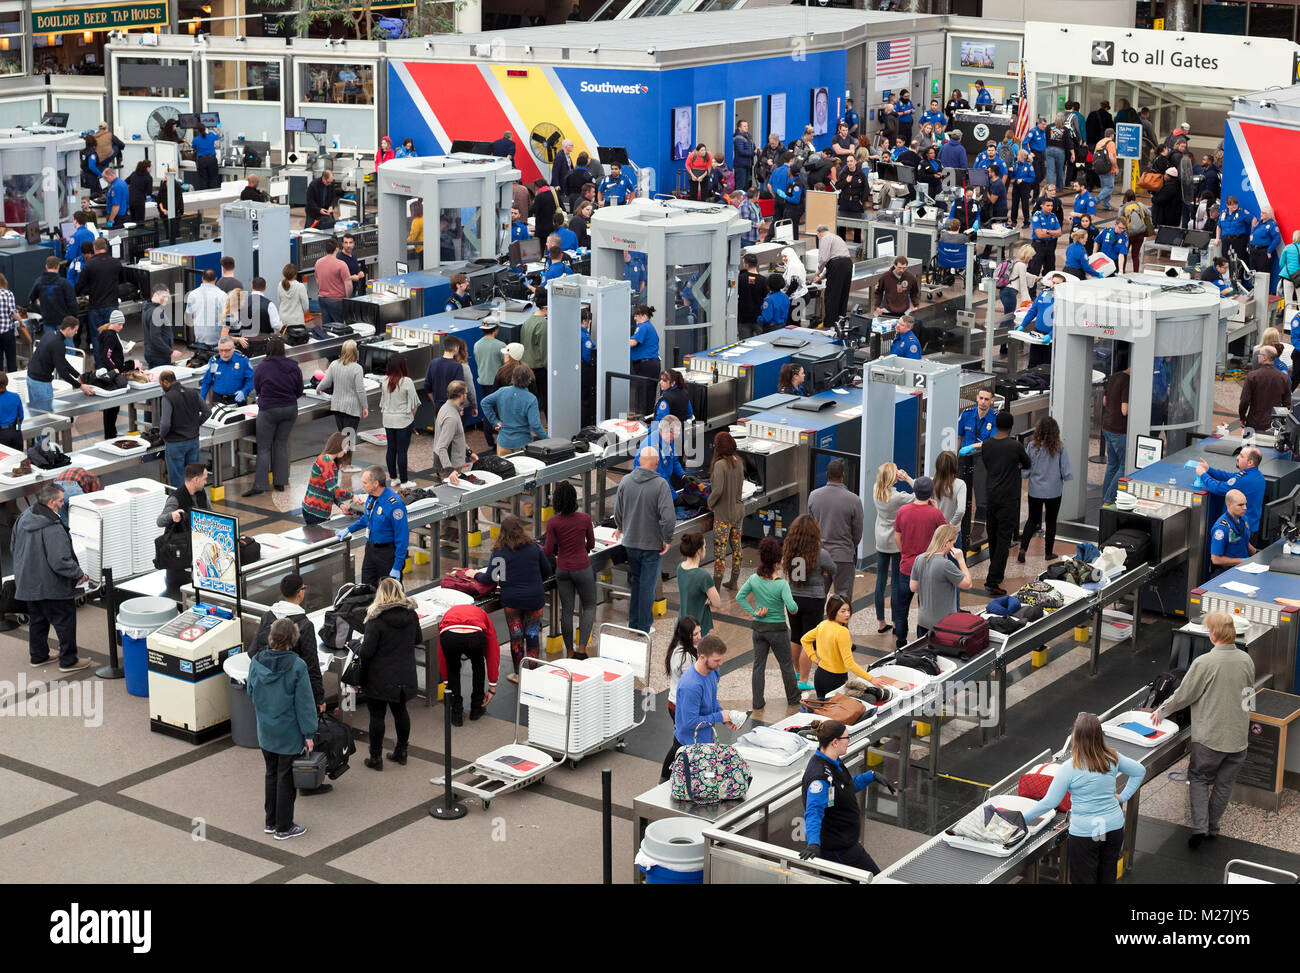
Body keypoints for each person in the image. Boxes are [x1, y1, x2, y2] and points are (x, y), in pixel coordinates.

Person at [1151, 611, 1255, 848]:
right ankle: (1212, 828)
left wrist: (1161, 710)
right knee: (1224, 785)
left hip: (1210, 738)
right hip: (1238, 738)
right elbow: (1249, 694)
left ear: (1213, 634)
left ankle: (1199, 828)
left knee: (1198, 778)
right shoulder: (1246, 660)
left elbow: (1184, 695)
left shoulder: (1204, 662)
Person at [1020, 712, 1144, 884]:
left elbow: (1050, 802)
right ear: (1099, 736)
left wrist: (1021, 819)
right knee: (1107, 877)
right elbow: (1139, 771)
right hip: (1112, 827)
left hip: (1087, 833)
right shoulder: (1112, 757)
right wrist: (1122, 797)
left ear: (1075, 737)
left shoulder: (1070, 767)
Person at [246, 618, 317, 840]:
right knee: (286, 778)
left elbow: (250, 690)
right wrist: (309, 733)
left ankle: (271, 821)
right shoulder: (297, 666)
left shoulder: (257, 660)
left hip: (266, 729)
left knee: (271, 773)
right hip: (288, 732)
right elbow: (304, 703)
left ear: (271, 636)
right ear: (293, 639)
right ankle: (284, 827)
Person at [13, 482, 90, 672]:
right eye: (61, 501)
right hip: (52, 586)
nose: (63, 504)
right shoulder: (53, 527)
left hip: (28, 582)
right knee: (65, 622)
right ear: (51, 502)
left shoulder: (24, 517)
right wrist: (78, 573)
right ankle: (69, 660)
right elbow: (60, 560)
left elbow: (13, 548)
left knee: (38, 620)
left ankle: (38, 656)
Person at [800, 719, 891, 873]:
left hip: (845, 841)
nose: (849, 741)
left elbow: (843, 788)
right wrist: (814, 843)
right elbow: (813, 811)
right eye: (846, 738)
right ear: (835, 742)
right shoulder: (820, 777)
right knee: (875, 879)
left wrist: (870, 776)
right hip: (838, 847)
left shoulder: (834, 761)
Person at [476, 515, 552, 681]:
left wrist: (475, 574)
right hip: (534, 599)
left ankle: (518, 675)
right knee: (532, 634)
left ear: (502, 532)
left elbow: (490, 578)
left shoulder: (499, 552)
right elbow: (547, 571)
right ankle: (532, 673)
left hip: (512, 602)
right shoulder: (534, 548)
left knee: (516, 637)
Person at [660, 634, 742, 782]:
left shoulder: (712, 672)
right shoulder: (691, 685)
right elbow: (689, 722)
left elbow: (711, 701)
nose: (721, 663)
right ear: (703, 657)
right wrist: (719, 716)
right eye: (717, 660)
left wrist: (724, 717)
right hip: (689, 747)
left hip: (704, 743)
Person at [357, 578, 419, 770]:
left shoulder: (376, 619)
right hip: (404, 673)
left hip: (379, 676)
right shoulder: (411, 615)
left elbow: (366, 652)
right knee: (401, 711)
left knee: (377, 716)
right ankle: (401, 751)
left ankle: (376, 758)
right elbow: (417, 638)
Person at [614, 446, 676, 636]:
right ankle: (644, 628)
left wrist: (621, 527)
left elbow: (618, 511)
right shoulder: (661, 485)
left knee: (637, 583)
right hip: (652, 545)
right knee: (647, 587)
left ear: (640, 460)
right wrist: (667, 538)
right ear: (656, 463)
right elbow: (668, 518)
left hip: (630, 543)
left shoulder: (625, 481)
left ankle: (633, 624)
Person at [251, 573, 326, 716]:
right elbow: (311, 664)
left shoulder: (268, 616)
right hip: (291, 690)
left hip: (268, 688)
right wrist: (319, 697)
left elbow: (253, 651)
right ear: (300, 593)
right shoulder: (304, 625)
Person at [538, 480, 596, 660]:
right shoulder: (585, 519)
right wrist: (582, 550)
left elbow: (547, 550)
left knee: (567, 610)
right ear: (573, 499)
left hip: (562, 570)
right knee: (589, 606)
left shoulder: (553, 522)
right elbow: (591, 544)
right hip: (582, 567)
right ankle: (581, 649)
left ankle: (569, 651)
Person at [980, 412, 1032, 596]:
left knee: (992, 536)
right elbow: (1027, 463)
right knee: (1003, 539)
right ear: (1011, 427)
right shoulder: (1015, 446)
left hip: (991, 496)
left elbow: (987, 464)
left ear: (995, 424)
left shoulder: (987, 444)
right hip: (1008, 499)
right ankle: (992, 580)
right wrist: (1015, 465)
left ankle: (996, 573)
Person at [892, 475, 947, 645]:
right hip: (928, 568)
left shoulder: (903, 511)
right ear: (931, 493)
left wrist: (906, 553)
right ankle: (921, 640)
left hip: (907, 567)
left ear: (914, 491)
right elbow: (946, 536)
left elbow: (897, 537)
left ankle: (901, 641)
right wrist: (938, 509)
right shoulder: (935, 514)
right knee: (925, 608)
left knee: (901, 608)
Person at [244, 338, 303, 497]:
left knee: (264, 447)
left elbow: (257, 388)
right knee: (281, 444)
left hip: (269, 410)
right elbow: (299, 389)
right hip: (290, 408)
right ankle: (280, 482)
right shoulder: (293, 365)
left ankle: (261, 485)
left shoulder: (263, 366)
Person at [784, 514, 836, 689]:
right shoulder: (820, 553)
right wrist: (823, 571)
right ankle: (804, 681)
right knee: (809, 640)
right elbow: (833, 568)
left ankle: (797, 671)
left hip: (792, 597)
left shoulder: (789, 550)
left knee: (796, 636)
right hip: (813, 600)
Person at [1017, 416, 1072, 563]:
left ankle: (1023, 549)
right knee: (1051, 521)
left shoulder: (1031, 446)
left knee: (1032, 519)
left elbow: (1026, 471)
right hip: (1054, 491)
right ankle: (1048, 553)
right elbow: (1066, 472)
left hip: (1035, 490)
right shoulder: (1060, 447)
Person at [808, 458, 864, 602]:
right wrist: (849, 547)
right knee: (843, 600)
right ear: (843, 475)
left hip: (820, 555)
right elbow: (857, 532)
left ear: (827, 474)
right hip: (843, 556)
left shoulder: (813, 496)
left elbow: (810, 527)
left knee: (818, 597)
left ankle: (819, 624)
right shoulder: (854, 500)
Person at [872, 462, 912, 636]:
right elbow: (920, 494)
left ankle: (881, 621)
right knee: (895, 583)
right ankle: (896, 622)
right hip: (895, 541)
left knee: (880, 582)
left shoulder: (876, 489)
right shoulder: (897, 497)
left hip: (880, 538)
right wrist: (908, 479)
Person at [910, 525, 972, 637]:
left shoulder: (919, 558)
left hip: (923, 621)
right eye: (953, 543)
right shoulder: (946, 565)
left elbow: (913, 587)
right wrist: (961, 560)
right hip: (944, 624)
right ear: (947, 542)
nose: (953, 546)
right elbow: (967, 584)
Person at [802, 596, 870, 697]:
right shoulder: (842, 632)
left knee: (822, 708)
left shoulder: (823, 624)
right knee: (835, 709)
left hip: (820, 676)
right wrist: (871, 679)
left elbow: (805, 639)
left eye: (848, 610)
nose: (847, 614)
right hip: (835, 680)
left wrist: (814, 658)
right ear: (833, 611)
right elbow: (849, 663)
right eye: (842, 611)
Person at [1196, 447, 1265, 536]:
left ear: (1250, 462)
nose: (1237, 457)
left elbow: (1217, 488)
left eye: (1241, 456)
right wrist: (1209, 469)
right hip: (1251, 528)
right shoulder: (1257, 475)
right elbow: (1229, 476)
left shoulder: (1243, 480)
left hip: (1239, 531)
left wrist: (1202, 474)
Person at [157, 369, 208, 488]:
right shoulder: (193, 393)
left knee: (178, 481)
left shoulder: (167, 398)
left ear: (165, 382)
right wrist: (196, 425)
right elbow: (207, 411)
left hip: (175, 443)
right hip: (193, 441)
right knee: (194, 477)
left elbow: (165, 424)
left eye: (160, 384)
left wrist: (162, 436)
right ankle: (195, 503)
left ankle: (181, 504)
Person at [707, 431, 745, 591]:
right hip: (738, 513)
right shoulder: (739, 462)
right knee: (737, 548)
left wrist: (709, 503)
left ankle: (716, 587)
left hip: (723, 516)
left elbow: (717, 491)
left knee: (720, 553)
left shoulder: (719, 465)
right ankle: (734, 581)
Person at [481, 364, 545, 457]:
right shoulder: (531, 399)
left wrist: (495, 421)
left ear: (512, 378)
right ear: (529, 380)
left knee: (504, 470)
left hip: (503, 442)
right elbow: (535, 425)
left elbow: (484, 403)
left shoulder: (502, 391)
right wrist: (548, 439)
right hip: (523, 444)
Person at [76, 238, 121, 362]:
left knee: (97, 338)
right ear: (106, 248)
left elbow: (80, 285)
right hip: (112, 307)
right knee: (112, 337)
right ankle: (113, 366)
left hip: (95, 307)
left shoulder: (89, 264)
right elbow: (122, 280)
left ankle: (100, 367)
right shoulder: (115, 263)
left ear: (94, 249)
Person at [303, 432, 357, 526]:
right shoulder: (325, 462)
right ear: (338, 445)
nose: (345, 451)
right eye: (345, 447)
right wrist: (352, 496)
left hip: (318, 512)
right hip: (315, 512)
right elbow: (333, 489)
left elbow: (330, 490)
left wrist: (341, 504)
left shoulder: (330, 462)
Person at [380, 359, 418, 489]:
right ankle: (404, 481)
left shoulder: (384, 381)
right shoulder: (407, 381)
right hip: (403, 420)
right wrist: (411, 417)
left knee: (391, 449)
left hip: (388, 420)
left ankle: (393, 478)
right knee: (402, 451)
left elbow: (383, 401)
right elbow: (414, 403)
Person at [94, 309, 132, 438]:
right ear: (113, 323)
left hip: (108, 372)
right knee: (112, 407)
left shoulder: (109, 333)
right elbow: (106, 355)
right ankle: (110, 434)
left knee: (112, 407)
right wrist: (115, 369)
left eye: (123, 324)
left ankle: (111, 432)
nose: (121, 327)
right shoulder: (110, 335)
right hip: (111, 374)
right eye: (119, 324)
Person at [676, 531, 722, 638]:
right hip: (698, 628)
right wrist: (710, 598)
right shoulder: (703, 576)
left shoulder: (680, 568)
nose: (705, 550)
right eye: (704, 547)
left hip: (682, 623)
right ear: (699, 550)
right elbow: (718, 603)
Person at [432, 380, 477, 484]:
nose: (466, 396)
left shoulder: (446, 407)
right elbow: (441, 447)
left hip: (449, 464)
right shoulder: (451, 418)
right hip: (450, 466)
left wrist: (468, 452)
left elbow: (456, 437)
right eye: (466, 393)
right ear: (461, 396)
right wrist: (450, 470)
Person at [1238, 347, 1291, 432]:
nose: (1258, 356)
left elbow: (1244, 401)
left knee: (1248, 444)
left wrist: (1242, 417)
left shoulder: (1252, 376)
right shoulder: (1284, 378)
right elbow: (1287, 404)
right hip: (1274, 424)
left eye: (1260, 355)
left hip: (1253, 422)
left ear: (1265, 357)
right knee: (1270, 445)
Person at [633, 414, 687, 497]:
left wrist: (683, 475)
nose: (677, 436)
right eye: (675, 433)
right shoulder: (652, 448)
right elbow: (660, 476)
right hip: (647, 489)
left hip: (661, 484)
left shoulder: (668, 439)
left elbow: (674, 460)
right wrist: (674, 497)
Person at [812, 224, 853, 327]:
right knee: (843, 293)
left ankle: (830, 322)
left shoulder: (824, 238)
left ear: (819, 234)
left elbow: (824, 258)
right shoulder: (837, 237)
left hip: (837, 265)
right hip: (848, 264)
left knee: (831, 295)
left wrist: (818, 270)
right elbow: (834, 261)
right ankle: (841, 321)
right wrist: (821, 277)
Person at [199, 337, 254, 406]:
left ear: (233, 348)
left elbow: (251, 380)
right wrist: (201, 400)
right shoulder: (215, 362)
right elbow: (207, 381)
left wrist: (244, 391)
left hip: (236, 400)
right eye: (221, 350)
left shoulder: (243, 361)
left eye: (227, 350)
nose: (224, 353)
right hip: (218, 400)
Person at [1208, 489, 1253, 574]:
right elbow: (1216, 559)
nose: (1245, 508)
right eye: (1240, 505)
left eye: (1245, 504)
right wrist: (1243, 560)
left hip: (1244, 568)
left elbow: (1244, 540)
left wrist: (1257, 554)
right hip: (1226, 571)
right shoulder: (1221, 528)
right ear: (1229, 505)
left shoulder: (1244, 519)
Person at [665, 616, 701, 720]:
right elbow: (692, 683)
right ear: (686, 635)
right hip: (682, 706)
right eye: (695, 634)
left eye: (699, 632)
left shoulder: (676, 647)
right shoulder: (686, 657)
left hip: (675, 703)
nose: (699, 637)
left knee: (679, 735)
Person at [628, 304, 661, 417]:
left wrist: (617, 342)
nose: (634, 318)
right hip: (649, 365)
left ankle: (644, 420)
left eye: (636, 315)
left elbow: (632, 343)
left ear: (643, 315)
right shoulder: (648, 327)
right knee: (647, 395)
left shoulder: (642, 327)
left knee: (644, 396)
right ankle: (646, 418)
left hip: (646, 366)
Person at [185, 269, 228, 352]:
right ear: (216, 279)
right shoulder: (222, 295)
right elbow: (227, 317)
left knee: (202, 360)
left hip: (200, 337)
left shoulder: (192, 294)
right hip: (217, 338)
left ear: (202, 278)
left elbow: (190, 314)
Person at [313, 239, 352, 326]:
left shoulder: (318, 263)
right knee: (339, 327)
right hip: (336, 300)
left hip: (322, 298)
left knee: (327, 327)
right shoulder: (341, 264)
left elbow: (317, 280)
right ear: (337, 249)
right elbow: (348, 284)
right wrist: (347, 298)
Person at [1029, 195, 1062, 275]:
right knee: (1034, 269)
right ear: (1042, 206)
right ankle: (1032, 287)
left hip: (1050, 246)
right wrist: (1054, 234)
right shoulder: (1037, 216)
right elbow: (1039, 235)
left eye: (1051, 205)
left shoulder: (1053, 216)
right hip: (1039, 246)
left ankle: (1047, 286)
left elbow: (1059, 233)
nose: (1050, 207)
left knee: (1050, 270)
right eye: (1047, 205)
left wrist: (1047, 231)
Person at [277, 264, 309, 331]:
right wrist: (299, 312)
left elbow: (279, 302)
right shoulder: (300, 286)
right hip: (297, 321)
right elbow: (306, 306)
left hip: (283, 321)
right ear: (295, 274)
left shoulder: (280, 285)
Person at [190, 123, 220, 190]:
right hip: (212, 159)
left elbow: (192, 146)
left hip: (202, 161)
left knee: (203, 180)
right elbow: (218, 135)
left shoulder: (196, 139)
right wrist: (218, 127)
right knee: (213, 179)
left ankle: (204, 197)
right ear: (205, 128)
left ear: (198, 130)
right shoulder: (211, 136)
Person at [0, 372, 23, 451]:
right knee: (18, 458)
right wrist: (18, 430)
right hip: (15, 432)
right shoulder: (15, 396)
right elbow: (21, 416)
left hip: (1, 435)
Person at [732, 119, 755, 191]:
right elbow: (741, 151)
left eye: (747, 126)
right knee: (740, 185)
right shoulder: (738, 138)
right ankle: (738, 201)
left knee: (746, 185)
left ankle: (744, 201)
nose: (747, 127)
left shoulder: (748, 136)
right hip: (740, 165)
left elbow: (752, 146)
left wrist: (756, 148)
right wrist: (753, 153)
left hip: (747, 165)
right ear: (739, 128)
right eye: (744, 126)